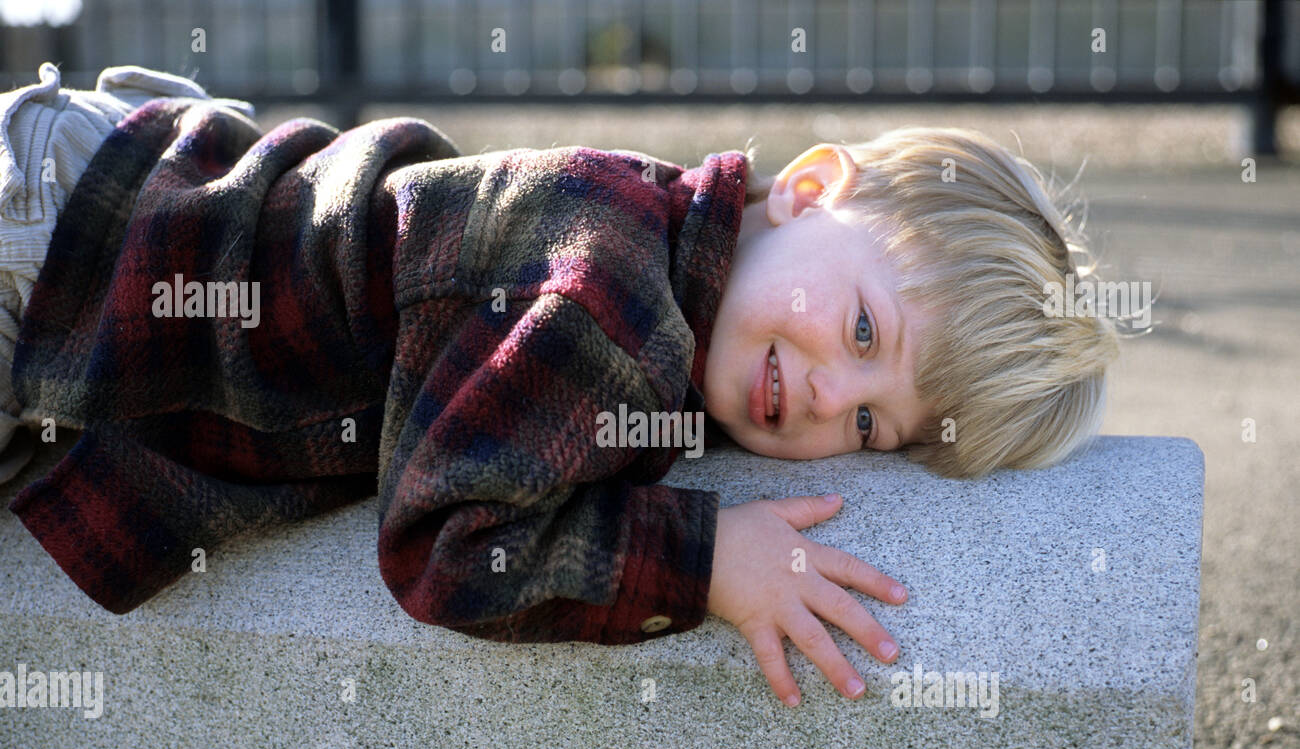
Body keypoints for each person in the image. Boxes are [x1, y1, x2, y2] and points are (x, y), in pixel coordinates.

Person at [0, 64, 1120, 707]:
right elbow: (447, 546)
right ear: (812, 189)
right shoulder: (614, 301)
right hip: (63, 247)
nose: (829, 395)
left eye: (873, 425)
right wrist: (706, 560)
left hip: (116, 212)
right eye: (864, 327)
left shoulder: (662, 251)